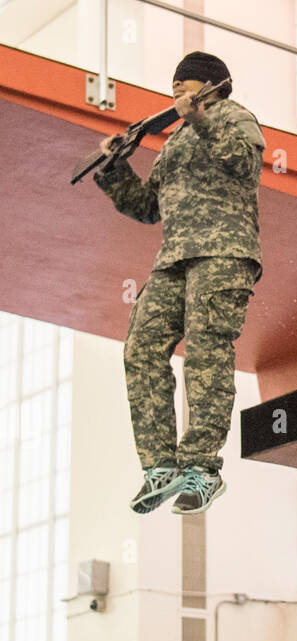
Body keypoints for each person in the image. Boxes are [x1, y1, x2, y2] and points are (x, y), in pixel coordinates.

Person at [94, 51, 265, 515]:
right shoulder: (175, 141)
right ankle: (161, 466)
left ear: (207, 88)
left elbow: (245, 167)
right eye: (172, 94)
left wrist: (204, 122)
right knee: (141, 348)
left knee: (207, 356)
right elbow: (150, 207)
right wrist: (114, 168)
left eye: (181, 90)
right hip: (173, 260)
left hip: (223, 254)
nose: (175, 101)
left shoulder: (236, 119)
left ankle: (202, 468)